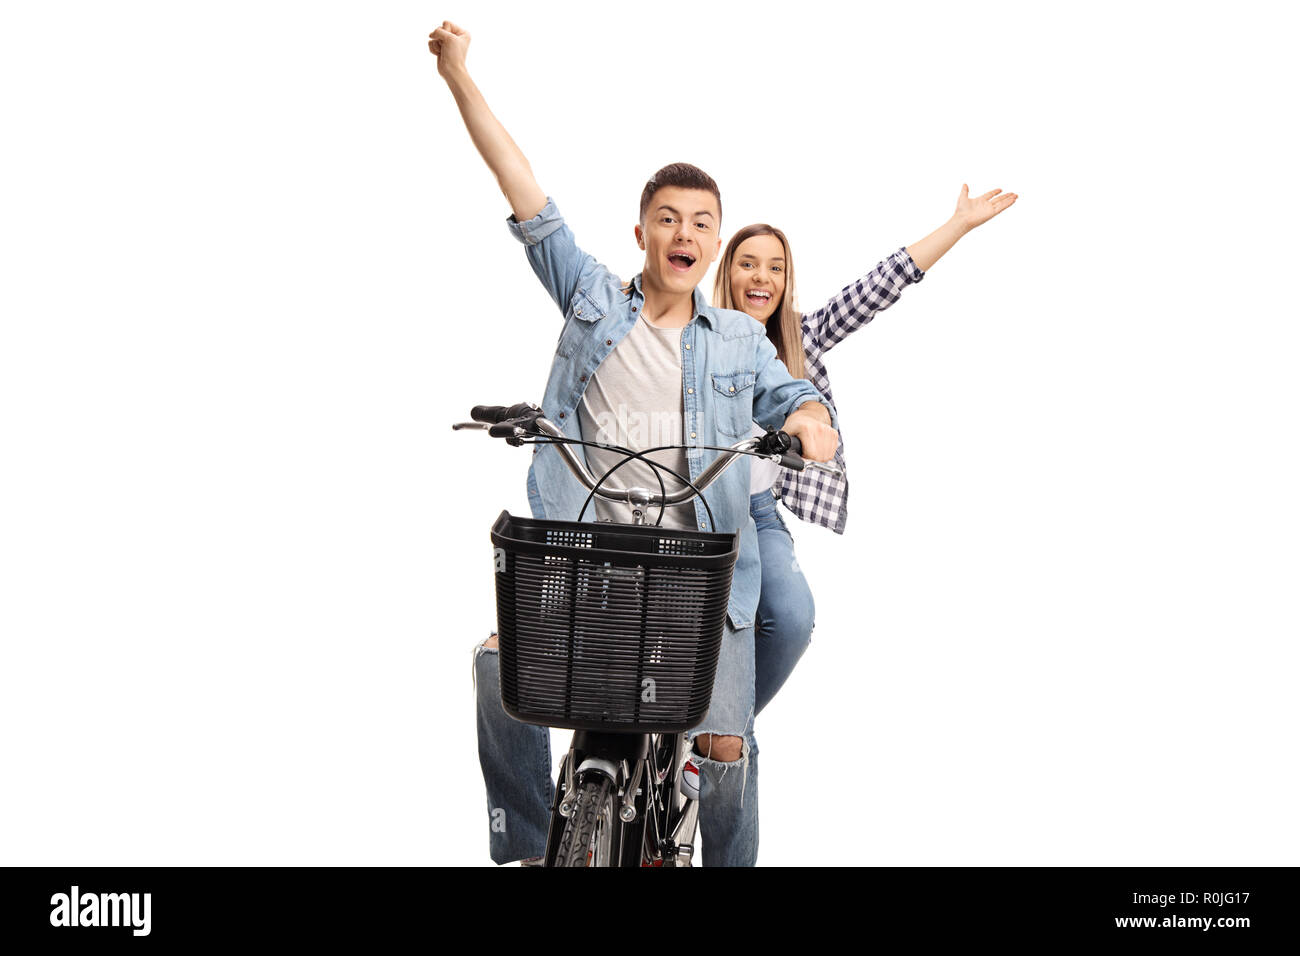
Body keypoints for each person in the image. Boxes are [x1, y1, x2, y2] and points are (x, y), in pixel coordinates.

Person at [430, 21, 839, 866]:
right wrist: (458, 75)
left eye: (700, 222)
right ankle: (530, 846)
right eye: (666, 219)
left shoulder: (736, 338)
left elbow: (793, 396)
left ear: (712, 243)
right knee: (496, 673)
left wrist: (809, 426)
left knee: (727, 753)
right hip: (584, 556)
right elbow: (523, 190)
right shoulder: (589, 300)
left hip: (702, 575)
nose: (683, 233)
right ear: (642, 233)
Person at [718, 189, 1018, 714]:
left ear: (787, 282)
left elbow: (877, 287)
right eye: (748, 264)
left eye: (775, 267)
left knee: (790, 619)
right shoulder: (695, 334)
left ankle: (722, 732)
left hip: (756, 510)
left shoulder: (801, 337)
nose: (762, 277)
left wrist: (958, 226)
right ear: (727, 274)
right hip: (688, 504)